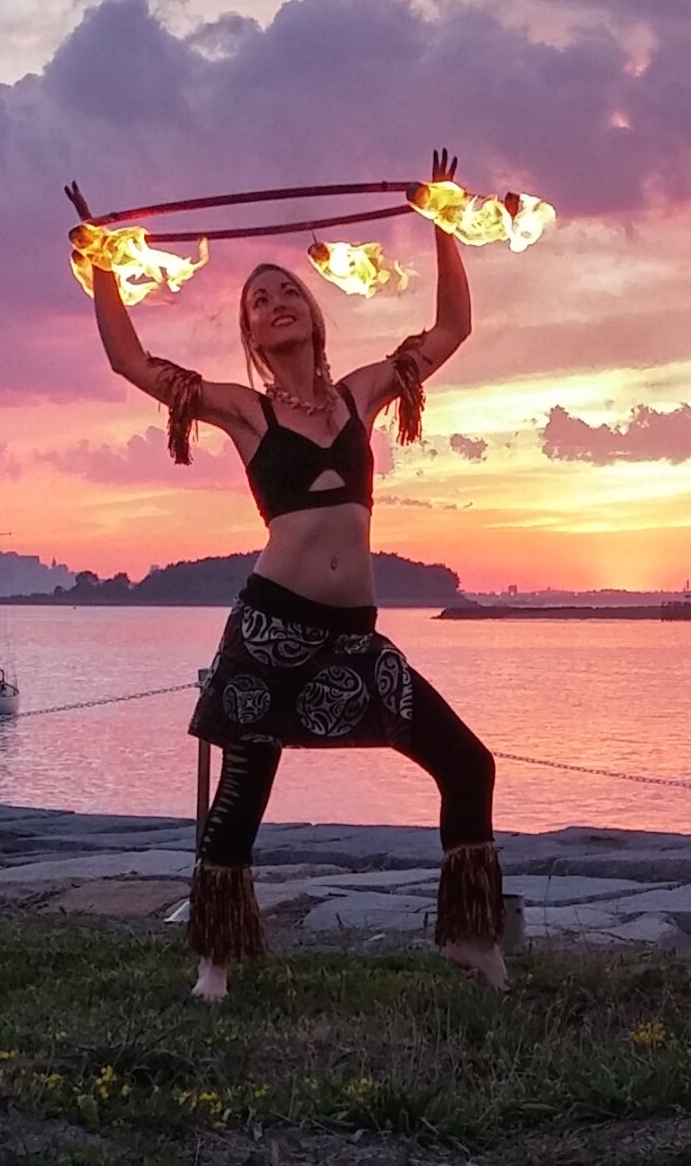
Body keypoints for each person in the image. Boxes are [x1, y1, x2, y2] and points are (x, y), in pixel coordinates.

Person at [82, 149, 506, 1003]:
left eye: (283, 292)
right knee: (242, 791)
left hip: (355, 638)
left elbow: (452, 329)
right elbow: (132, 362)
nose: (272, 303)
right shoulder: (246, 409)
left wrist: (443, 223)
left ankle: (470, 937)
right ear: (251, 334)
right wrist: (101, 265)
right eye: (256, 302)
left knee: (468, 764)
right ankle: (216, 963)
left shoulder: (358, 394)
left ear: (312, 311)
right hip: (272, 627)